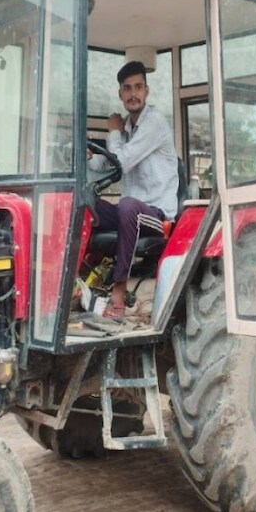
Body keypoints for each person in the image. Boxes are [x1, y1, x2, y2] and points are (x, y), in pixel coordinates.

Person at [88, 61, 178, 320]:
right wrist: (87, 157)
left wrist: (113, 132)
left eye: (138, 87)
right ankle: (79, 282)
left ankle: (118, 292)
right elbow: (103, 164)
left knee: (127, 205)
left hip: (158, 214)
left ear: (147, 91)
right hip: (132, 211)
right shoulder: (125, 129)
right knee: (86, 204)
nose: (133, 94)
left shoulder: (155, 123)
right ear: (120, 94)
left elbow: (122, 161)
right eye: (127, 89)